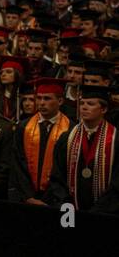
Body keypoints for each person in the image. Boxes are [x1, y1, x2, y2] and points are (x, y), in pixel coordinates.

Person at [49, 85, 119, 214]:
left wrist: (98, 211)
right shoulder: (67, 138)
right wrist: (66, 204)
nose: (84, 107)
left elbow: (117, 183)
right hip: (69, 211)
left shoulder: (116, 139)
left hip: (106, 213)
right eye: (82, 103)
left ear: (103, 109)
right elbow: (57, 176)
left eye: (90, 104)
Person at [9, 77, 73, 205]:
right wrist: (29, 196)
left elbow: (65, 170)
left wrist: (50, 198)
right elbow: (18, 163)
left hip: (55, 199)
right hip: (26, 197)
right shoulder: (23, 127)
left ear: (60, 101)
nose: (41, 103)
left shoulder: (71, 129)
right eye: (38, 98)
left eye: (47, 98)